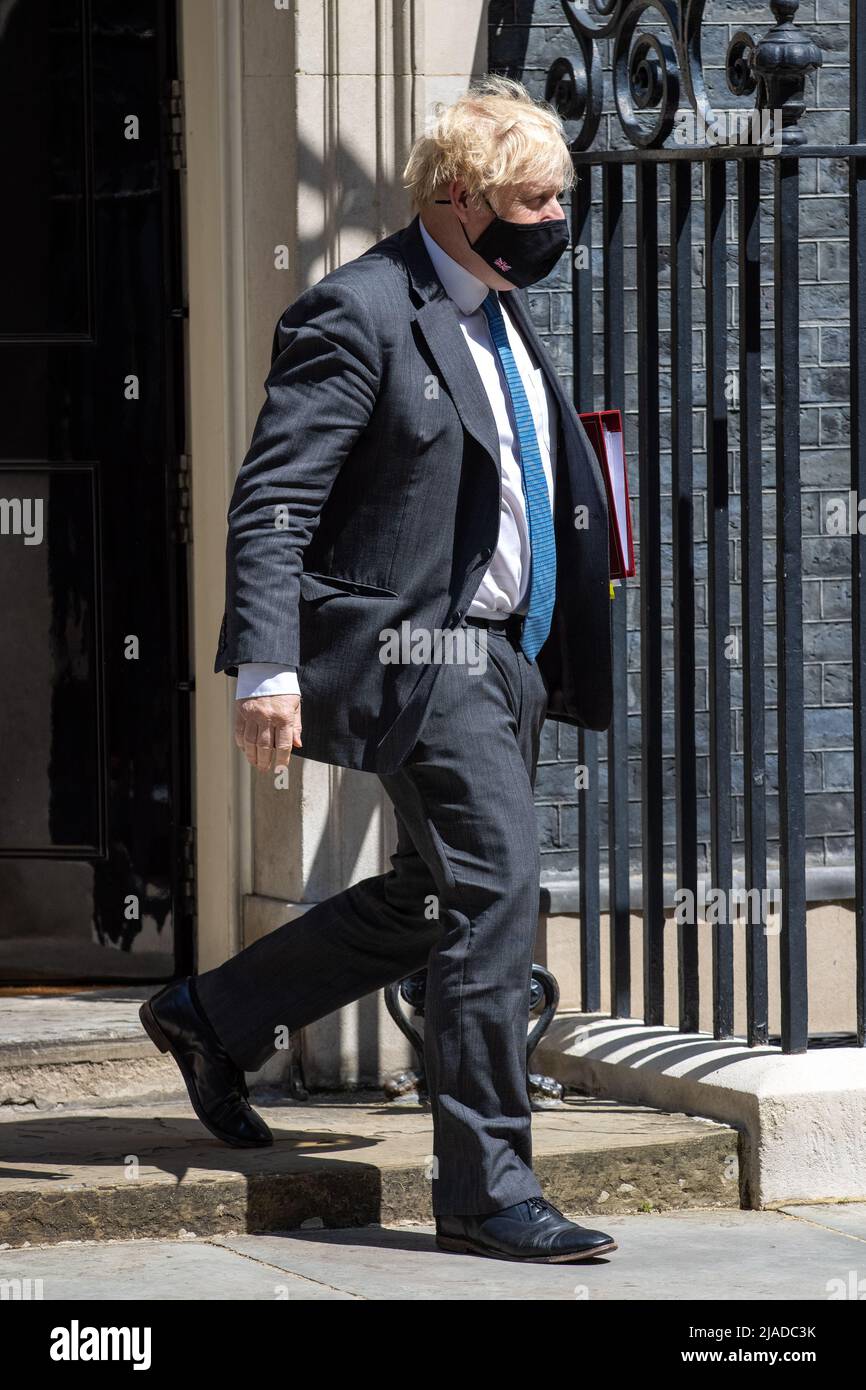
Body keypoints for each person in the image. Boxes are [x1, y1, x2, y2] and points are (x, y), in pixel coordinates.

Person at [139, 74, 616, 1264]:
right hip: (419, 651)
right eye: (530, 198)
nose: (554, 218)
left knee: (429, 893)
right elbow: (273, 502)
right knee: (496, 893)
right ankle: (486, 1188)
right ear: (457, 200)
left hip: (507, 653)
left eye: (562, 195)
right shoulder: (356, 311)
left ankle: (211, 1013)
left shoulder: (498, 302)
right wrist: (266, 663)